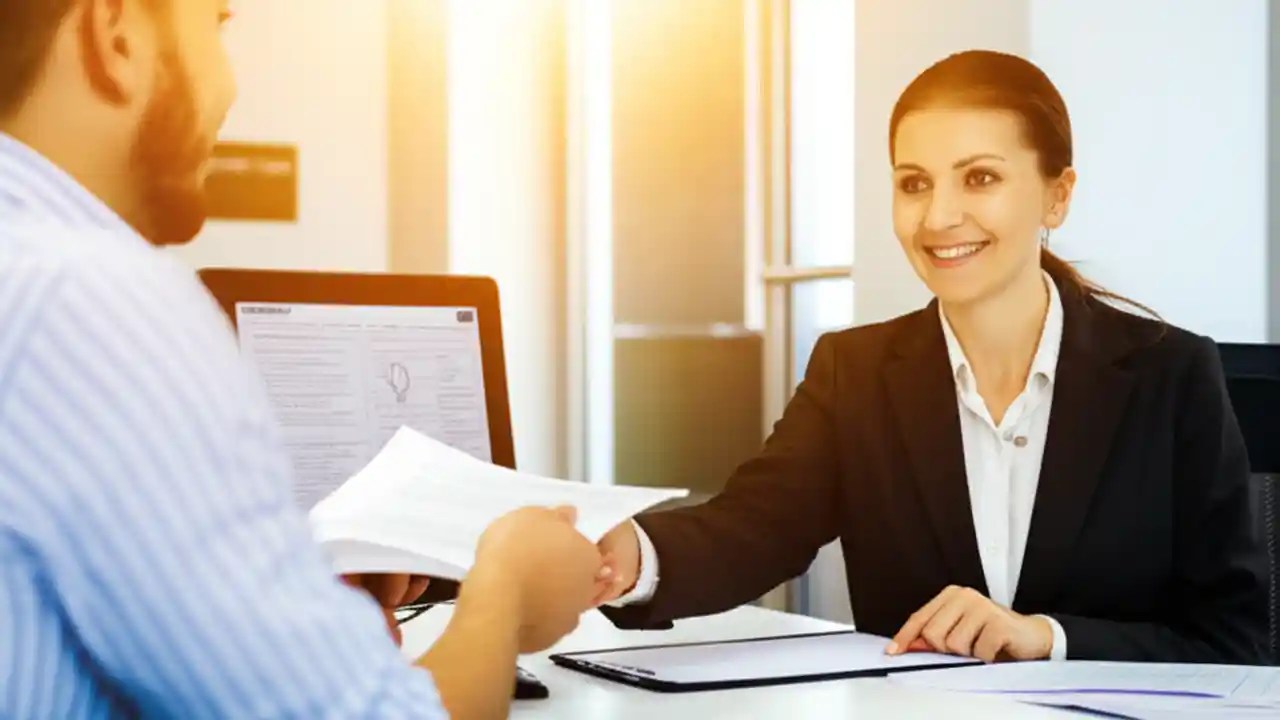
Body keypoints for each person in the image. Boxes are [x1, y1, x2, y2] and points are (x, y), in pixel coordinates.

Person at [0, 2, 610, 718]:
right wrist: (504, 591)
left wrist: (288, 597)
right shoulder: (94, 300)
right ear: (116, 35)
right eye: (217, 26)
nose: (230, 87)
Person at [597, 49, 1270, 665]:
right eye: (914, 183)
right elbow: (753, 528)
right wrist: (624, 555)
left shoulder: (1171, 376)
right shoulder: (855, 373)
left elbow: (1233, 640)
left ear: (1057, 196)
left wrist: (1047, 637)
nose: (939, 217)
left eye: (980, 178)